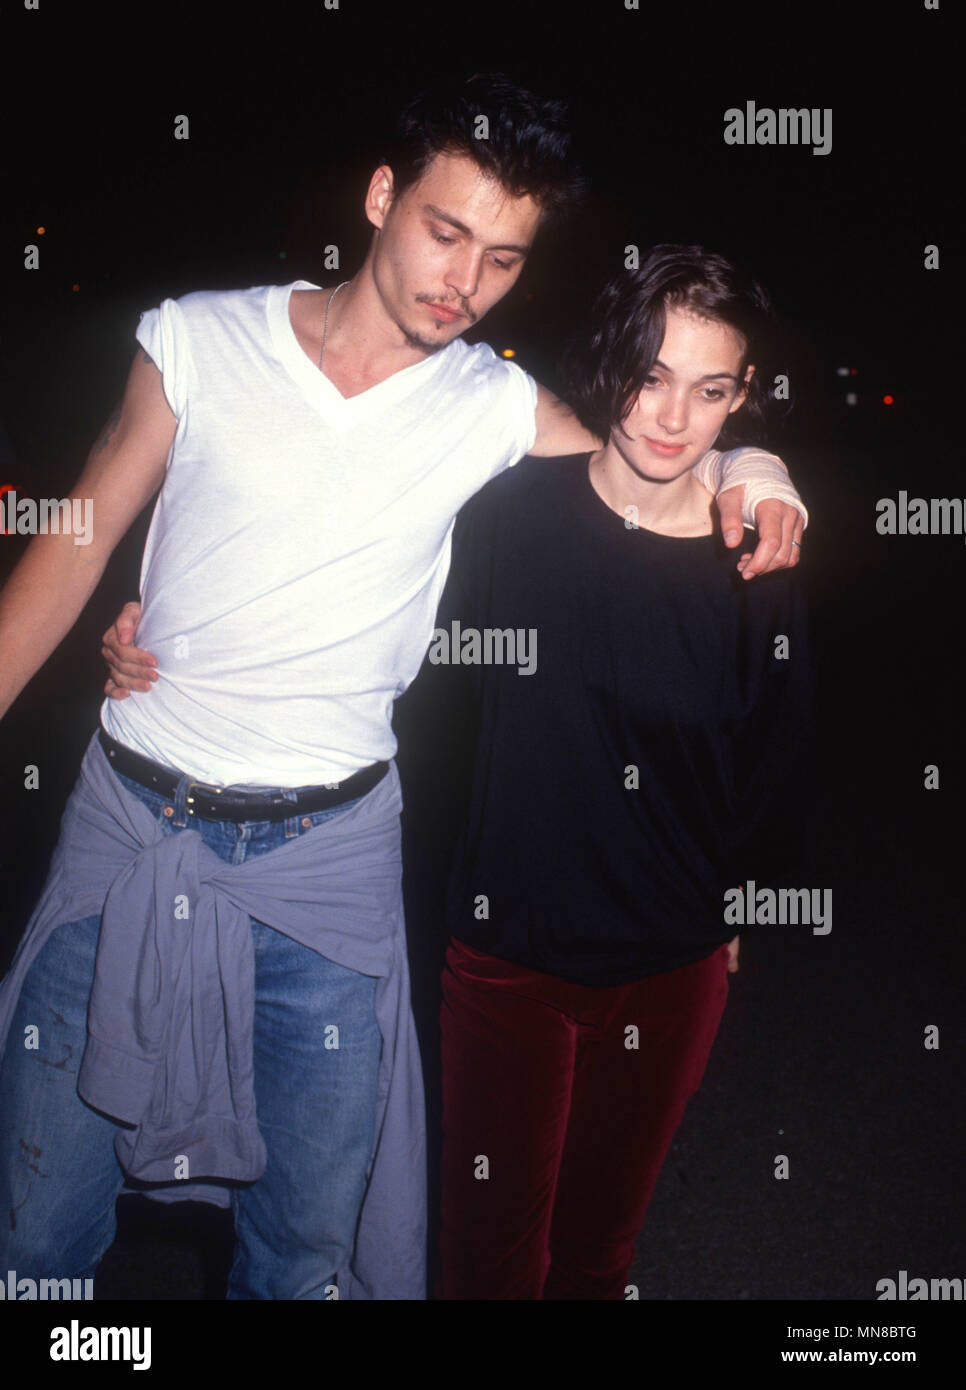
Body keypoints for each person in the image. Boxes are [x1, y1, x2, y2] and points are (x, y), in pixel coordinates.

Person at [0, 74, 806, 1302]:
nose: (462, 281)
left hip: (330, 870)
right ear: (382, 197)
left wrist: (762, 454)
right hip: (129, 824)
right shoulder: (199, 338)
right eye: (444, 231)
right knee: (40, 1234)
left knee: (310, 1252)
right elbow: (77, 538)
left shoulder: (487, 404)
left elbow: (652, 449)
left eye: (501, 260)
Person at [425, 245, 812, 1298]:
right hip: (508, 960)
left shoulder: (754, 568)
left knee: (598, 1257)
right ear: (610, 360)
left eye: (710, 388)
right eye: (651, 373)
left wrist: (730, 907)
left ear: (740, 402)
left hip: (670, 965)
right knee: (484, 1264)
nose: (673, 416)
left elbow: (769, 763)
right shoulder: (508, 514)